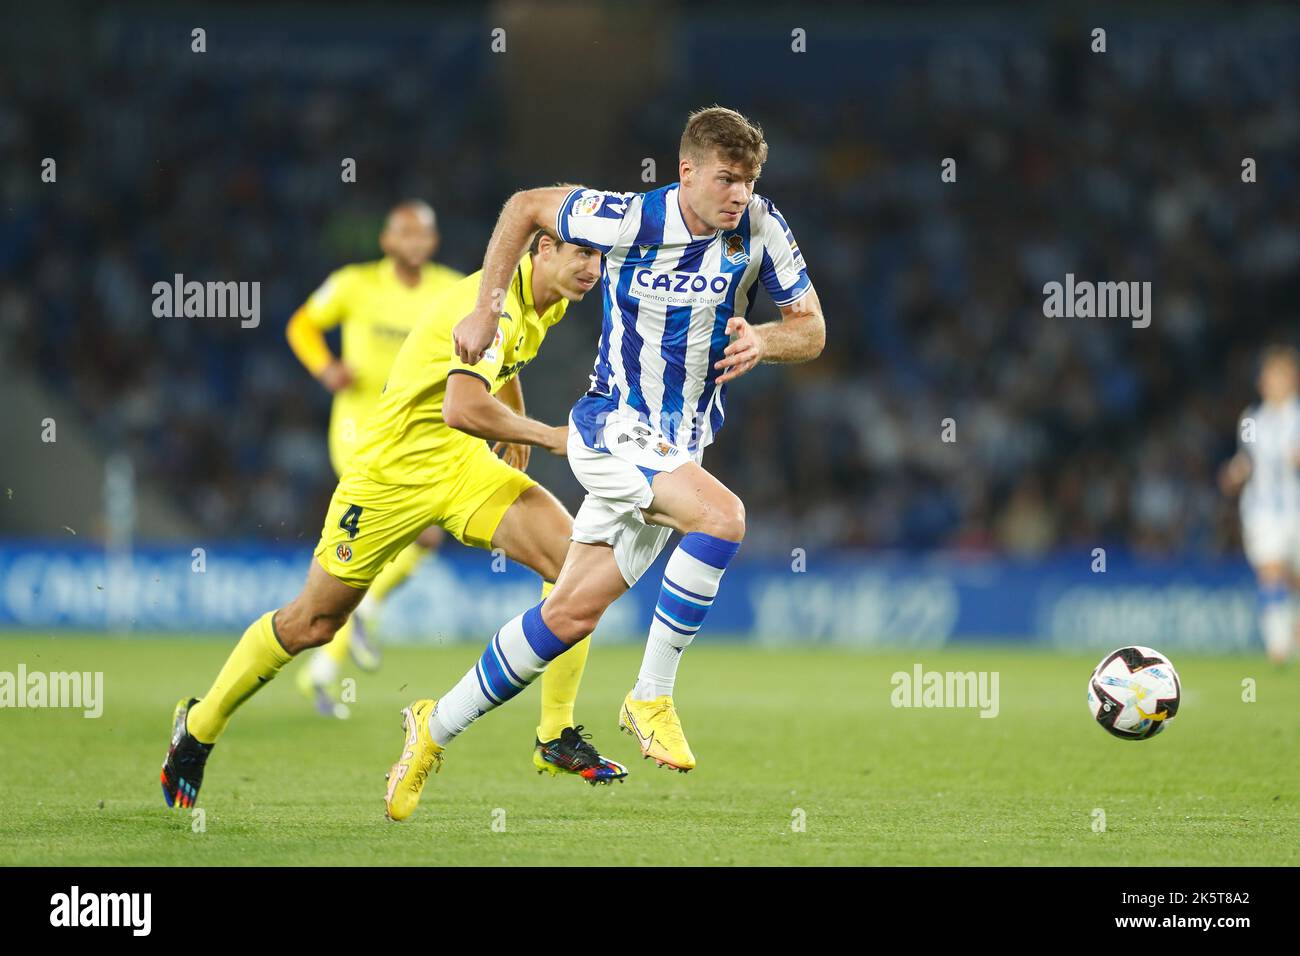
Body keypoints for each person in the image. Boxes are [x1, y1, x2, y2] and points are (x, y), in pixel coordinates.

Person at [384, 105, 825, 822]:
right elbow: (526, 207)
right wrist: (490, 307)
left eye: (747, 180)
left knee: (568, 614)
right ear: (686, 173)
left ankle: (431, 728)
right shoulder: (625, 219)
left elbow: (812, 329)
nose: (737, 195)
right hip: (613, 427)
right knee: (724, 517)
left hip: (680, 447)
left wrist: (766, 342)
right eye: (725, 179)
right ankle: (651, 694)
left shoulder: (761, 227)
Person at [161, 231, 626, 810]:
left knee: (575, 564)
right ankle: (200, 725)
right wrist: (546, 435)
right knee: (314, 623)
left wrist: (517, 414)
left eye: (599, 256)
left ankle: (555, 734)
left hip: (458, 466)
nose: (593, 267)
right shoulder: (494, 305)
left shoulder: (548, 302)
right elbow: (461, 405)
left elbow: (503, 361)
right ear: (542, 251)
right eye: (582, 253)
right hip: (388, 477)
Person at [285, 200, 461, 715]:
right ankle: (365, 612)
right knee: (418, 532)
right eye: (404, 232)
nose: (414, 241)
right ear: (387, 240)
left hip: (415, 429)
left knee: (405, 542)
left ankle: (323, 667)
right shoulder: (353, 284)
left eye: (423, 233)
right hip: (358, 427)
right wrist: (325, 369)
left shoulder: (449, 289)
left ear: (433, 242)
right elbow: (301, 325)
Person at [1220, 344, 1300, 664]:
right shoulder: (1252, 419)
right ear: (1262, 381)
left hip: (1296, 508)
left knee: (1294, 578)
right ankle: (1278, 647)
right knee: (1270, 571)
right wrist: (1235, 473)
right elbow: (1247, 461)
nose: (1275, 383)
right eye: (1270, 376)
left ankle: (1293, 633)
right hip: (1262, 510)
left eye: (1282, 376)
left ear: (1293, 379)